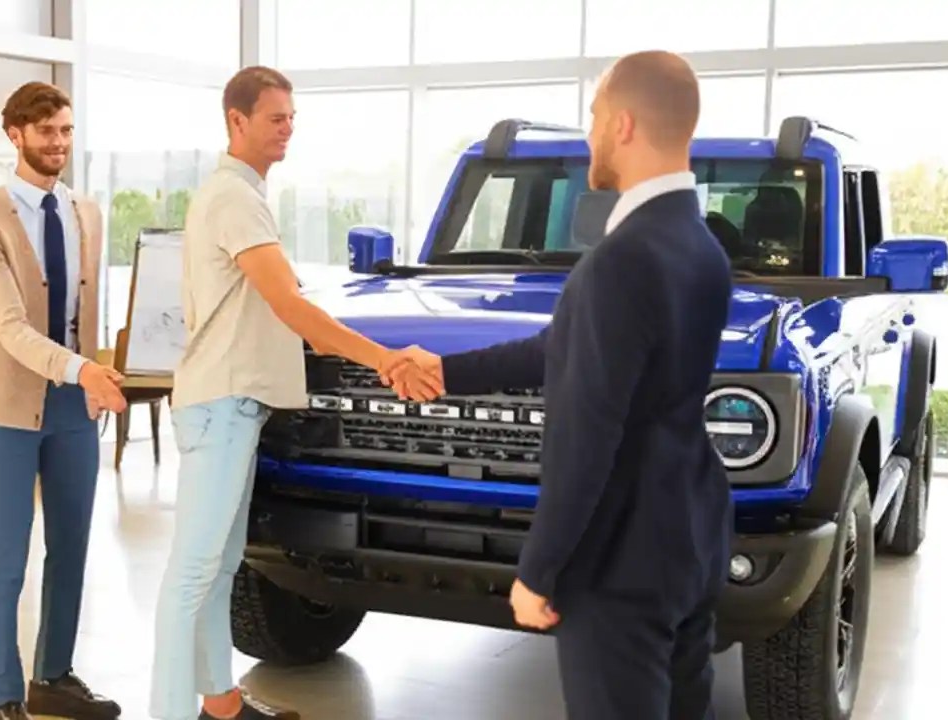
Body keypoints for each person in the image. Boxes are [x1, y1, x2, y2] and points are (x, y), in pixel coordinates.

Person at [388, 50, 734, 719]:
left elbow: (588, 433)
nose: (591, 133)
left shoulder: (623, 259)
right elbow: (564, 348)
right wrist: (448, 370)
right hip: (691, 536)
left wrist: (538, 569)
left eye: (597, 115)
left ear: (625, 125)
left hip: (620, 558)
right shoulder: (702, 247)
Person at [148, 66, 440, 720]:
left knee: (219, 569)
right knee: (192, 577)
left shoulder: (240, 194)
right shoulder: (234, 198)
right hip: (220, 407)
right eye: (276, 117)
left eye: (292, 118)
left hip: (233, 406)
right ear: (237, 120)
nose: (288, 129)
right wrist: (384, 358)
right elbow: (291, 307)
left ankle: (220, 706)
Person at [0, 81, 128, 720]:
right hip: (7, 405)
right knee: (6, 555)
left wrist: (103, 370)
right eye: (45, 132)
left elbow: (87, 308)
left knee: (73, 544)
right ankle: (3, 697)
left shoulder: (87, 212)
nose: (58, 143)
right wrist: (84, 369)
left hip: (73, 405)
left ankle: (53, 676)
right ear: (15, 135)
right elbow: (8, 327)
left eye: (65, 131)